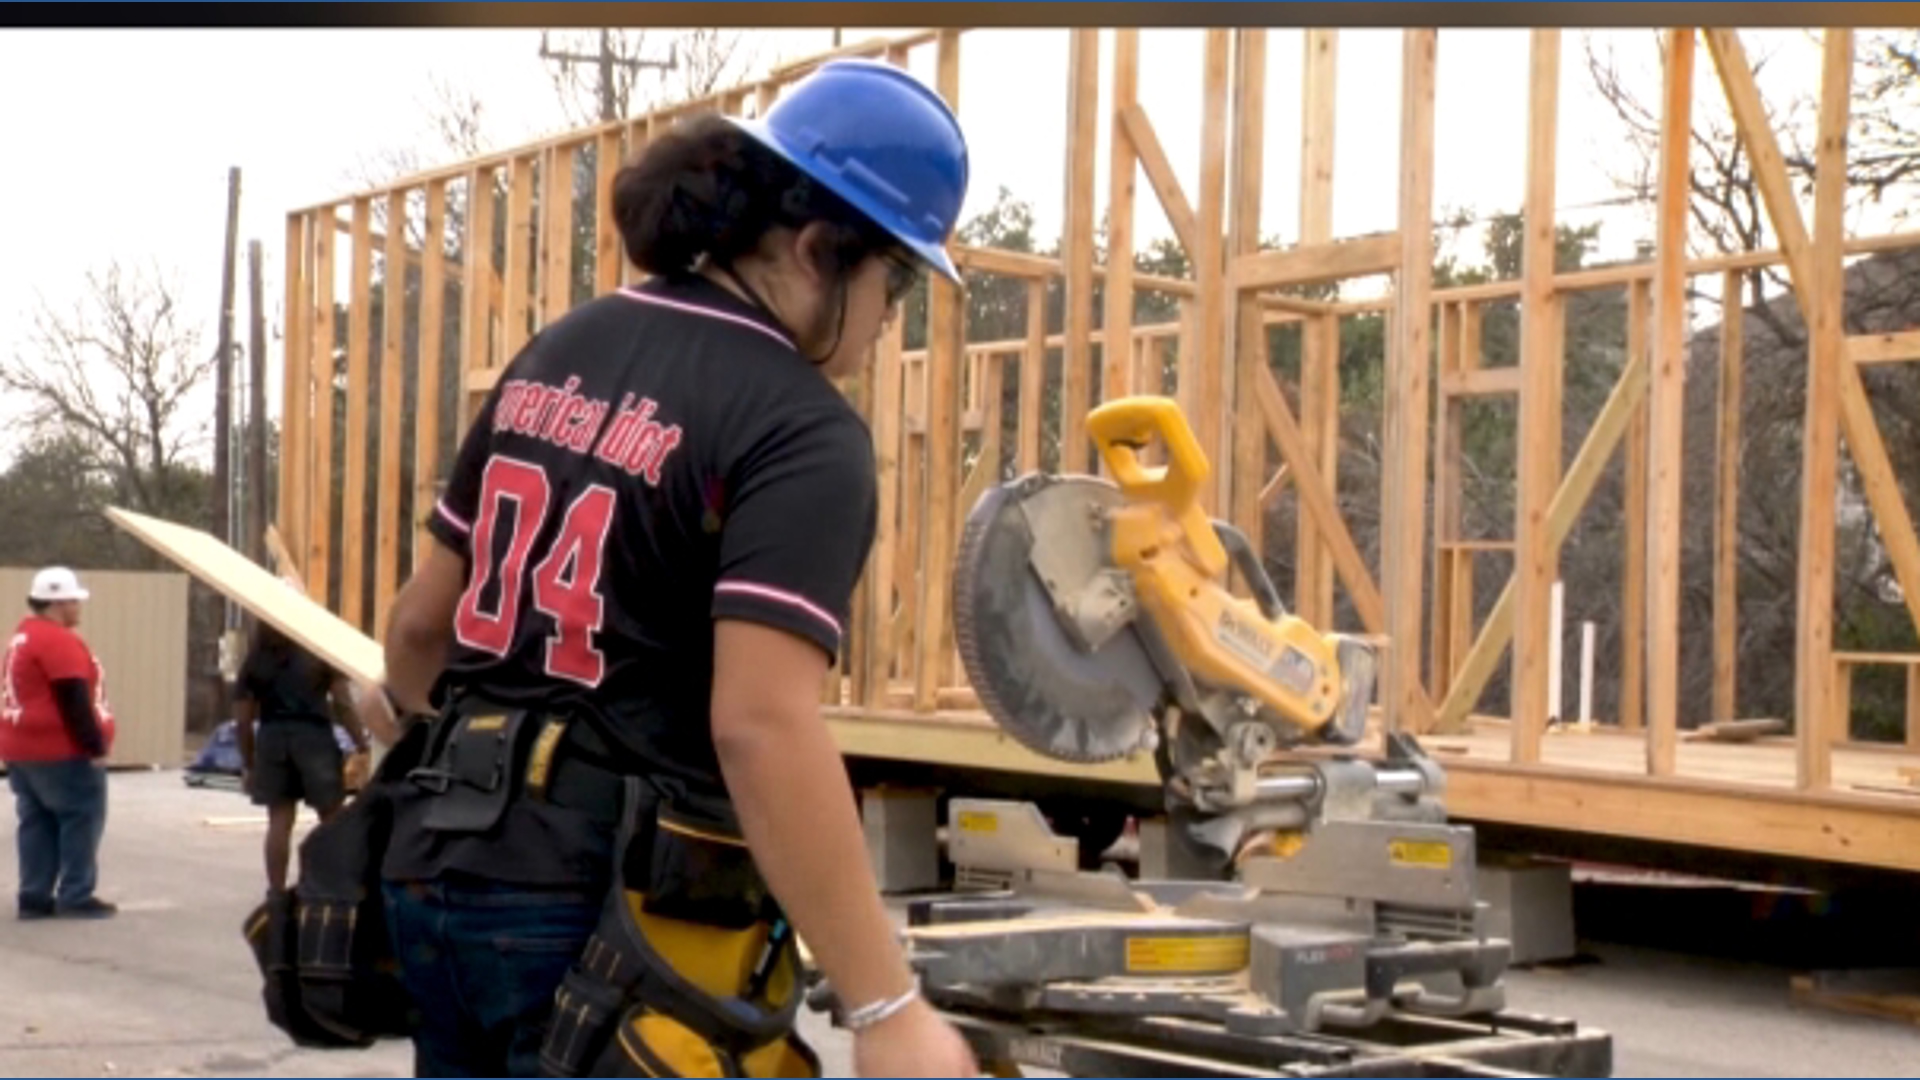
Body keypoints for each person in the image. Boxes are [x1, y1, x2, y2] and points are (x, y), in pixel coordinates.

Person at [356, 59, 980, 1078]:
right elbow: (760, 722)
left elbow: (420, 628)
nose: (888, 318)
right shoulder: (801, 426)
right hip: (609, 913)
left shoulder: (560, 348)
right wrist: (886, 1005)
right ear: (820, 249)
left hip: (437, 872)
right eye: (896, 281)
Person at [0, 566, 117, 920]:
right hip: (60, 750)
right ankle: (76, 893)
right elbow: (73, 697)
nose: (79, 608)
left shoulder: (22, 637)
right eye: (74, 601)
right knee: (80, 816)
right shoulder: (57, 641)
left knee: (36, 821)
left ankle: (34, 895)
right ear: (58, 603)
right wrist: (94, 746)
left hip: (21, 748)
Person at [233, 620, 370, 895]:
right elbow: (343, 703)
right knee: (332, 817)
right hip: (314, 739)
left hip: (273, 739)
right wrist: (362, 744)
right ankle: (336, 886)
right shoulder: (316, 650)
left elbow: (243, 721)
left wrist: (249, 764)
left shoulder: (257, 658)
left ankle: (276, 893)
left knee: (279, 821)